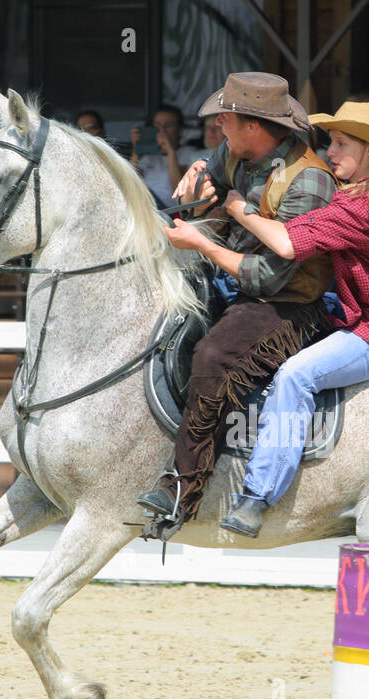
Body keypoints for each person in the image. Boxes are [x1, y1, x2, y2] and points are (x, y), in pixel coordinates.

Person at [215, 101, 369, 536]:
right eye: (331, 141)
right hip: (363, 309)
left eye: (342, 143)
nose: (330, 151)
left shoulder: (365, 204)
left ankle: (257, 497)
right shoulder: (363, 190)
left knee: (296, 375)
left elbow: (288, 246)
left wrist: (240, 209)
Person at [135, 72, 337, 534]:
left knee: (213, 355)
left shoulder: (309, 184)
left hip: (289, 302)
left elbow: (268, 277)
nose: (216, 128)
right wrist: (199, 173)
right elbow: (215, 170)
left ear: (253, 126)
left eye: (224, 120)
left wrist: (202, 244)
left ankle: (181, 488)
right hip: (237, 280)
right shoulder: (238, 148)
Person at [128, 103, 199, 209]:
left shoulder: (189, 153)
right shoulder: (148, 156)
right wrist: (136, 150)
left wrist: (170, 152)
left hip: (169, 210)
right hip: (145, 207)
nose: (162, 130)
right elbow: (129, 183)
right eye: (157, 125)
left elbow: (178, 189)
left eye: (168, 125)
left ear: (180, 130)